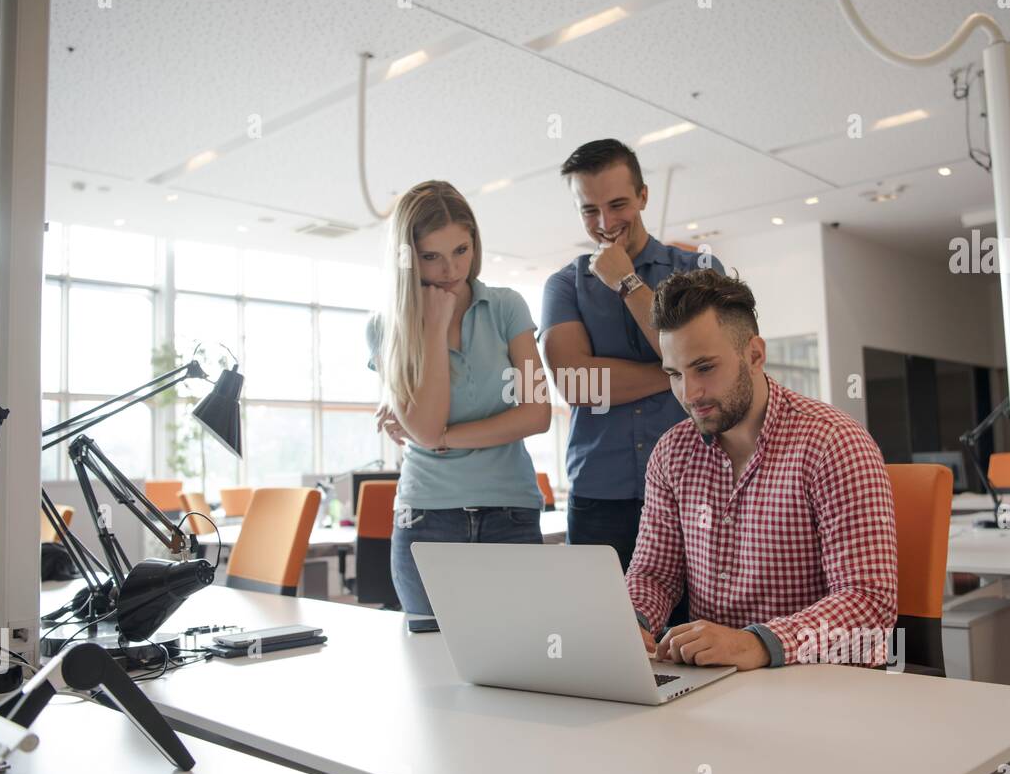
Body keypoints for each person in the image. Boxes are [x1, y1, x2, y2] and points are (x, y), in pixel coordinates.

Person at [625, 268, 898, 671]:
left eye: (704, 368)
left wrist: (756, 644)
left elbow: (869, 604)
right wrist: (632, 623)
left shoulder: (833, 443)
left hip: (821, 685)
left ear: (754, 354)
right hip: (715, 684)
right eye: (674, 374)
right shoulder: (672, 453)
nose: (689, 393)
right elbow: (653, 574)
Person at [539, 139, 727, 628]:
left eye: (618, 204)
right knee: (603, 637)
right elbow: (578, 384)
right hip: (601, 496)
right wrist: (677, 376)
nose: (604, 222)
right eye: (589, 210)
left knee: (698, 638)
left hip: (695, 489)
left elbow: (708, 363)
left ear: (643, 196)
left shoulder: (698, 271)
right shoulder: (564, 285)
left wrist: (627, 283)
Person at [366, 180, 551, 615]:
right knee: (432, 666)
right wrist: (433, 326)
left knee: (522, 659)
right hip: (427, 519)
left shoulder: (507, 306)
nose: (450, 270)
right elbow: (427, 429)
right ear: (407, 258)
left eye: (461, 251)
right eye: (432, 257)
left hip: (511, 513)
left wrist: (446, 438)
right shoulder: (383, 328)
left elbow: (538, 413)